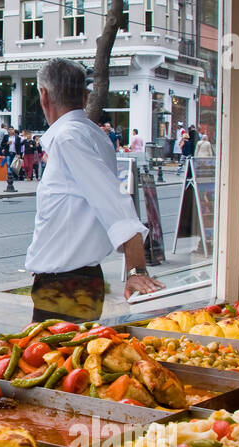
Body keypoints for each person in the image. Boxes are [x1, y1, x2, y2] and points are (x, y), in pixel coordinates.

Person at [25, 59, 163, 322]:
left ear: (43, 95)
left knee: (52, 361)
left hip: (66, 286)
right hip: (71, 281)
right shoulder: (91, 135)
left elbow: (115, 203)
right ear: (85, 95)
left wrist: (136, 271)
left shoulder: (70, 138)